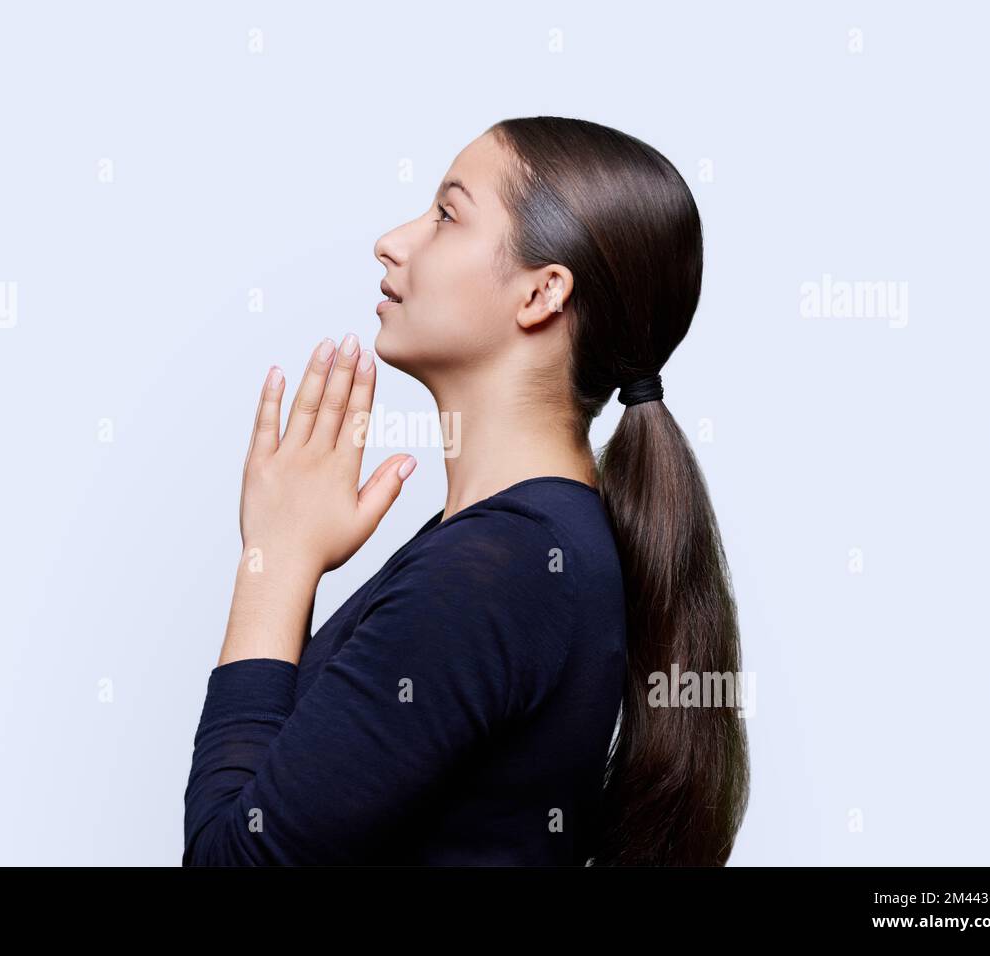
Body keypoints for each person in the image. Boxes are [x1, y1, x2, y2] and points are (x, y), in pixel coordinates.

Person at [182, 116, 749, 865]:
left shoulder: (500, 568)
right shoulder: (526, 548)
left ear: (542, 293)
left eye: (448, 215)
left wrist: (277, 562)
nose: (393, 240)